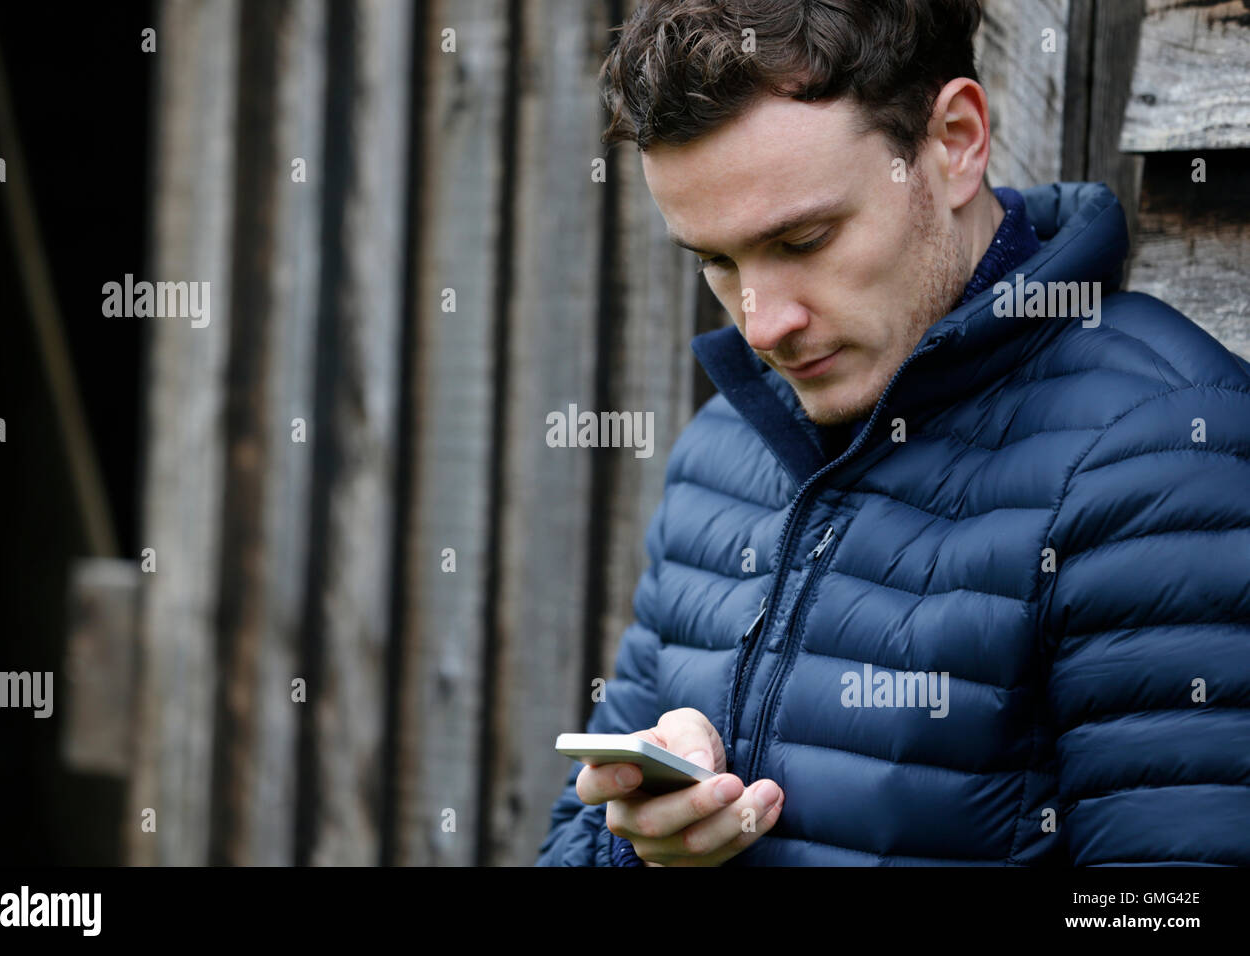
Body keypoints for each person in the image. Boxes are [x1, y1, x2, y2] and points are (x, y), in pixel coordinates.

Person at [536, 0, 1250, 866]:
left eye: (803, 239)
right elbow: (570, 846)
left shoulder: (1166, 451)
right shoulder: (724, 448)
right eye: (717, 263)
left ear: (954, 141)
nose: (761, 328)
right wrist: (642, 847)